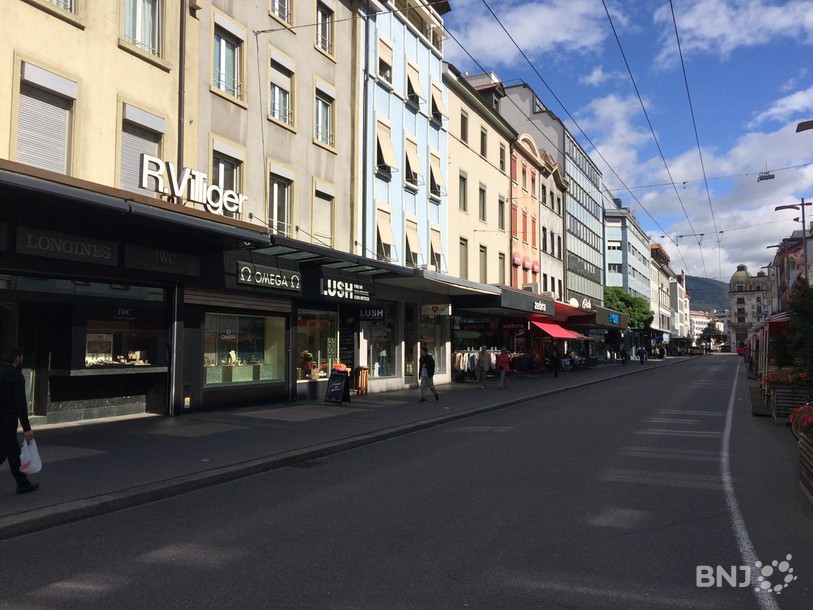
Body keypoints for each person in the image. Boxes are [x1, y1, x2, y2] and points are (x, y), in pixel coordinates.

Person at [0, 346, 39, 494]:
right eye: (21, 357)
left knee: (14, 454)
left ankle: (22, 483)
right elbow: (20, 404)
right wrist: (27, 427)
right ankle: (22, 483)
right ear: (17, 358)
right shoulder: (16, 376)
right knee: (4, 452)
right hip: (7, 422)